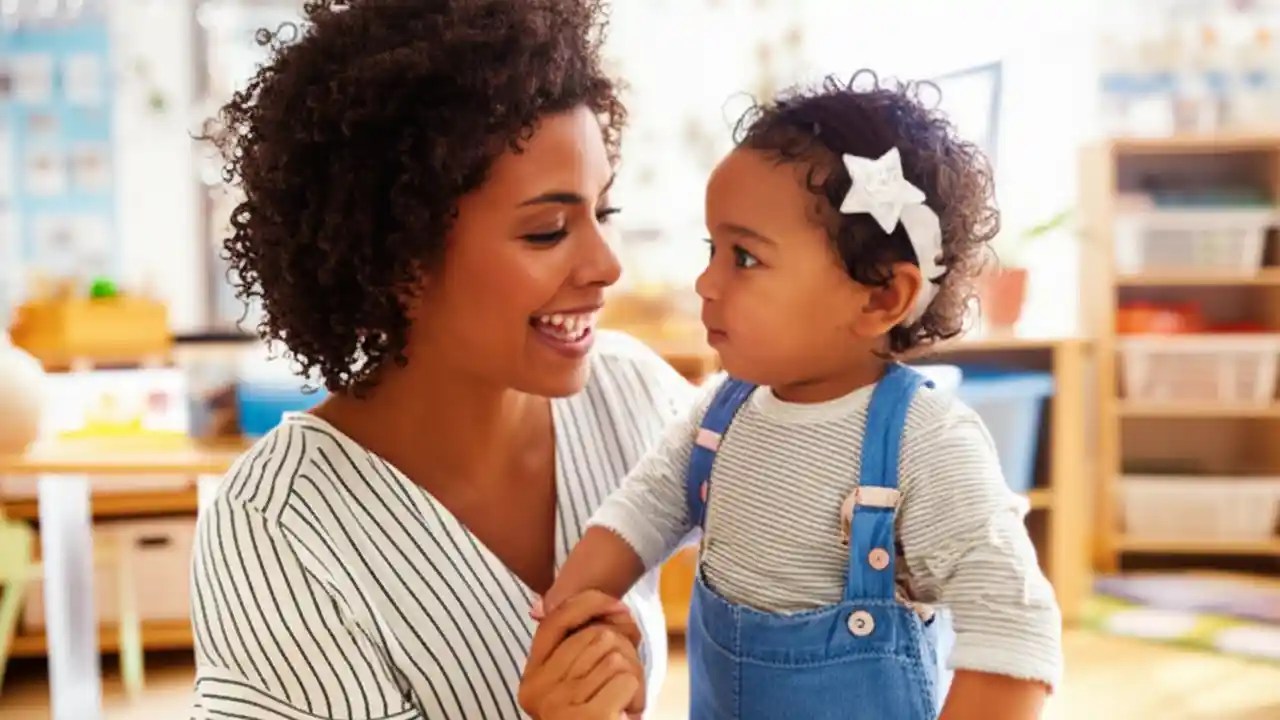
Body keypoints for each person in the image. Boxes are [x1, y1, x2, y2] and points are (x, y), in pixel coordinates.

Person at [189, 1, 691, 718]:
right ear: (400, 258)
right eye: (548, 230)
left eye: (601, 213)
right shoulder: (279, 527)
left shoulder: (629, 394)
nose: (608, 266)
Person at [537, 72, 1064, 719]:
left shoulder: (925, 443)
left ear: (880, 297)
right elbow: (638, 511)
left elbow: (1013, 627)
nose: (706, 282)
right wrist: (570, 619)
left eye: (746, 258)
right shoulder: (719, 418)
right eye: (713, 249)